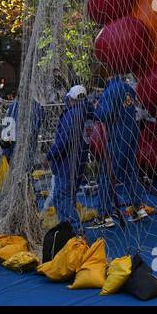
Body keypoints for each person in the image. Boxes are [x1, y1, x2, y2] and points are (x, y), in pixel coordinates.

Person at [93, 75, 149, 224]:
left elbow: (104, 115)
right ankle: (138, 208)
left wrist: (93, 110)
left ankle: (103, 215)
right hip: (133, 133)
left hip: (118, 134)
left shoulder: (110, 91)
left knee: (107, 173)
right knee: (130, 170)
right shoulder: (128, 88)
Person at [47, 85, 97, 229]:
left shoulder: (73, 114)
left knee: (62, 198)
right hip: (78, 163)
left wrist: (50, 155)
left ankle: (74, 234)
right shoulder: (87, 113)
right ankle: (69, 231)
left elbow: (64, 140)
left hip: (68, 164)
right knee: (67, 197)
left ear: (72, 99)